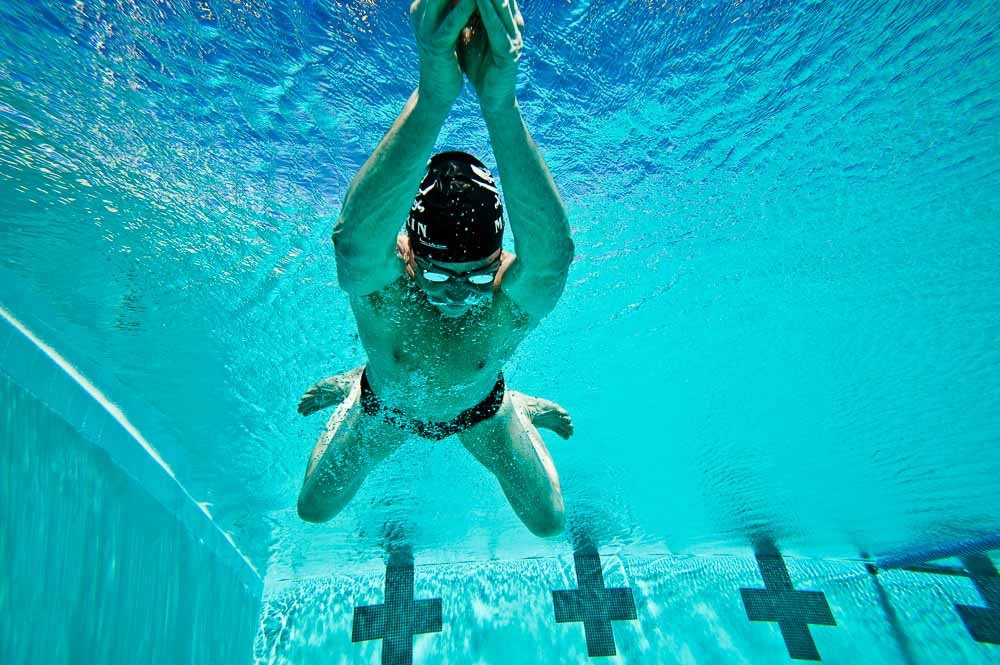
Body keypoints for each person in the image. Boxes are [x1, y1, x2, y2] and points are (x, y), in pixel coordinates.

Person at [296, 0, 575, 538]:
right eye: (440, 276)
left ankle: (517, 406)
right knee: (314, 507)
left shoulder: (507, 295)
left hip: (481, 409)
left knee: (549, 521)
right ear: (411, 251)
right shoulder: (390, 284)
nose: (459, 294)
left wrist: (501, 104)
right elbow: (353, 243)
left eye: (477, 276)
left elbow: (552, 258)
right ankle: (354, 386)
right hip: (387, 406)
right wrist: (433, 96)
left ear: (499, 259)